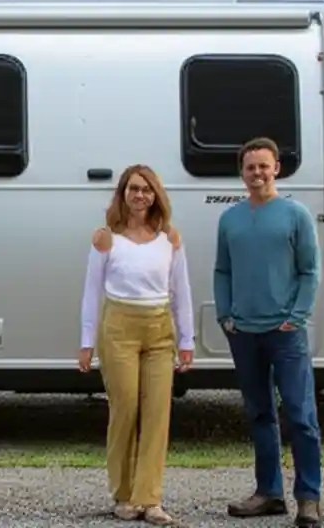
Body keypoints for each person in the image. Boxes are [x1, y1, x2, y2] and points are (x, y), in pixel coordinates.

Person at [213, 137, 323, 527]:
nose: (257, 173)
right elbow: (222, 270)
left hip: (285, 332)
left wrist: (297, 316)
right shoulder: (231, 219)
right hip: (244, 331)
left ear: (277, 168)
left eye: (264, 166)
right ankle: (269, 493)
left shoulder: (295, 215)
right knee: (260, 413)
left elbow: (310, 271)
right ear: (241, 173)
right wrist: (225, 315)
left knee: (300, 413)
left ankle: (309, 498)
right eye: (250, 167)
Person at [79, 164, 195, 525]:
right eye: (133, 189)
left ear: (156, 195)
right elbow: (91, 292)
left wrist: (187, 339)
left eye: (146, 189)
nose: (140, 195)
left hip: (159, 330)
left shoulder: (169, 239)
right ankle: (123, 494)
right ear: (123, 194)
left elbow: (181, 292)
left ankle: (151, 498)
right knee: (125, 408)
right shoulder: (106, 238)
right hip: (119, 330)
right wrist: (86, 342)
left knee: (158, 412)